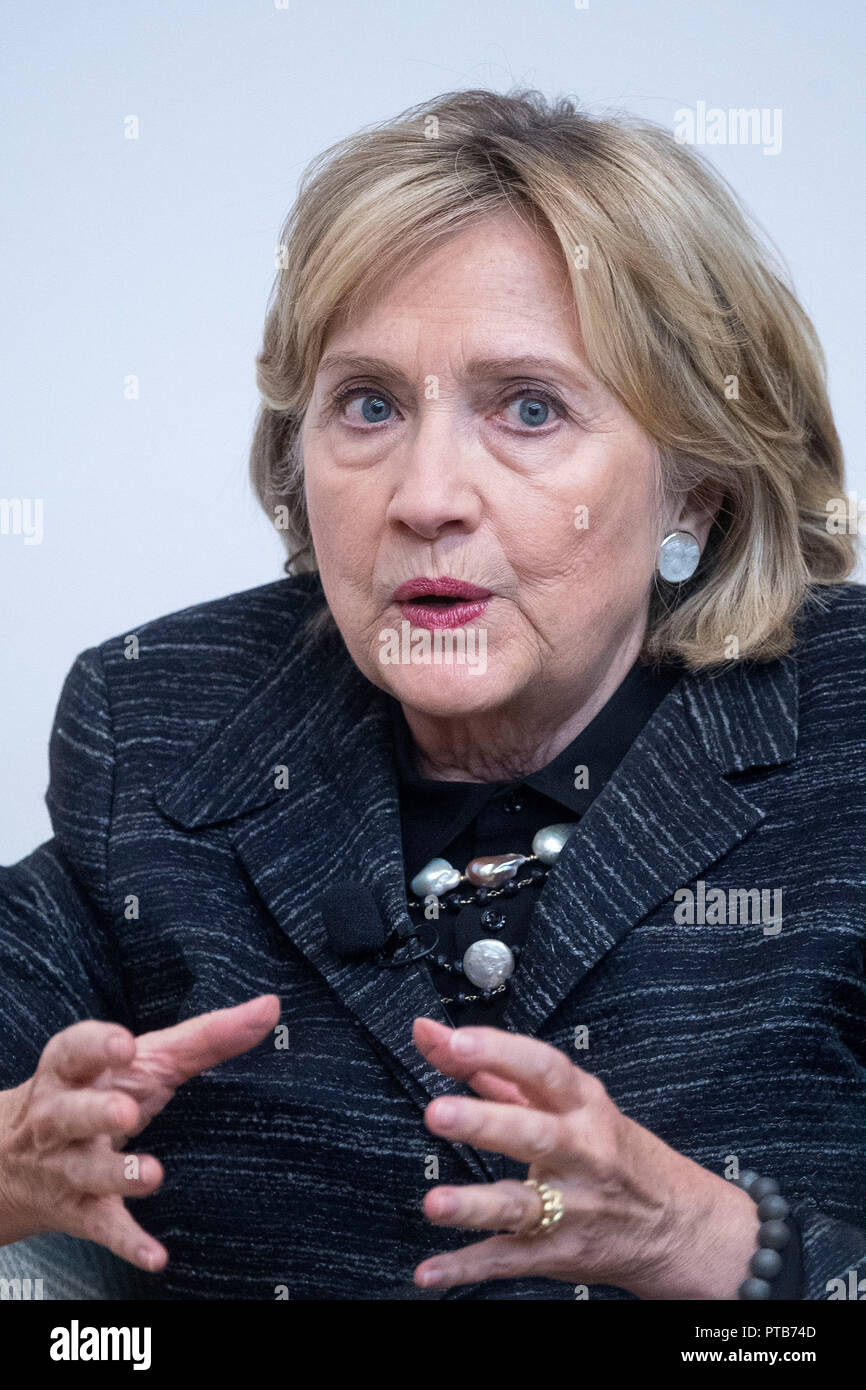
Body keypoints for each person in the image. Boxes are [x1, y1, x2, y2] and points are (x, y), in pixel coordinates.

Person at [0, 88, 863, 1301]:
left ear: (695, 490)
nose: (424, 495)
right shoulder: (164, 719)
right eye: (369, 405)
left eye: (526, 408)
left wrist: (715, 1246)